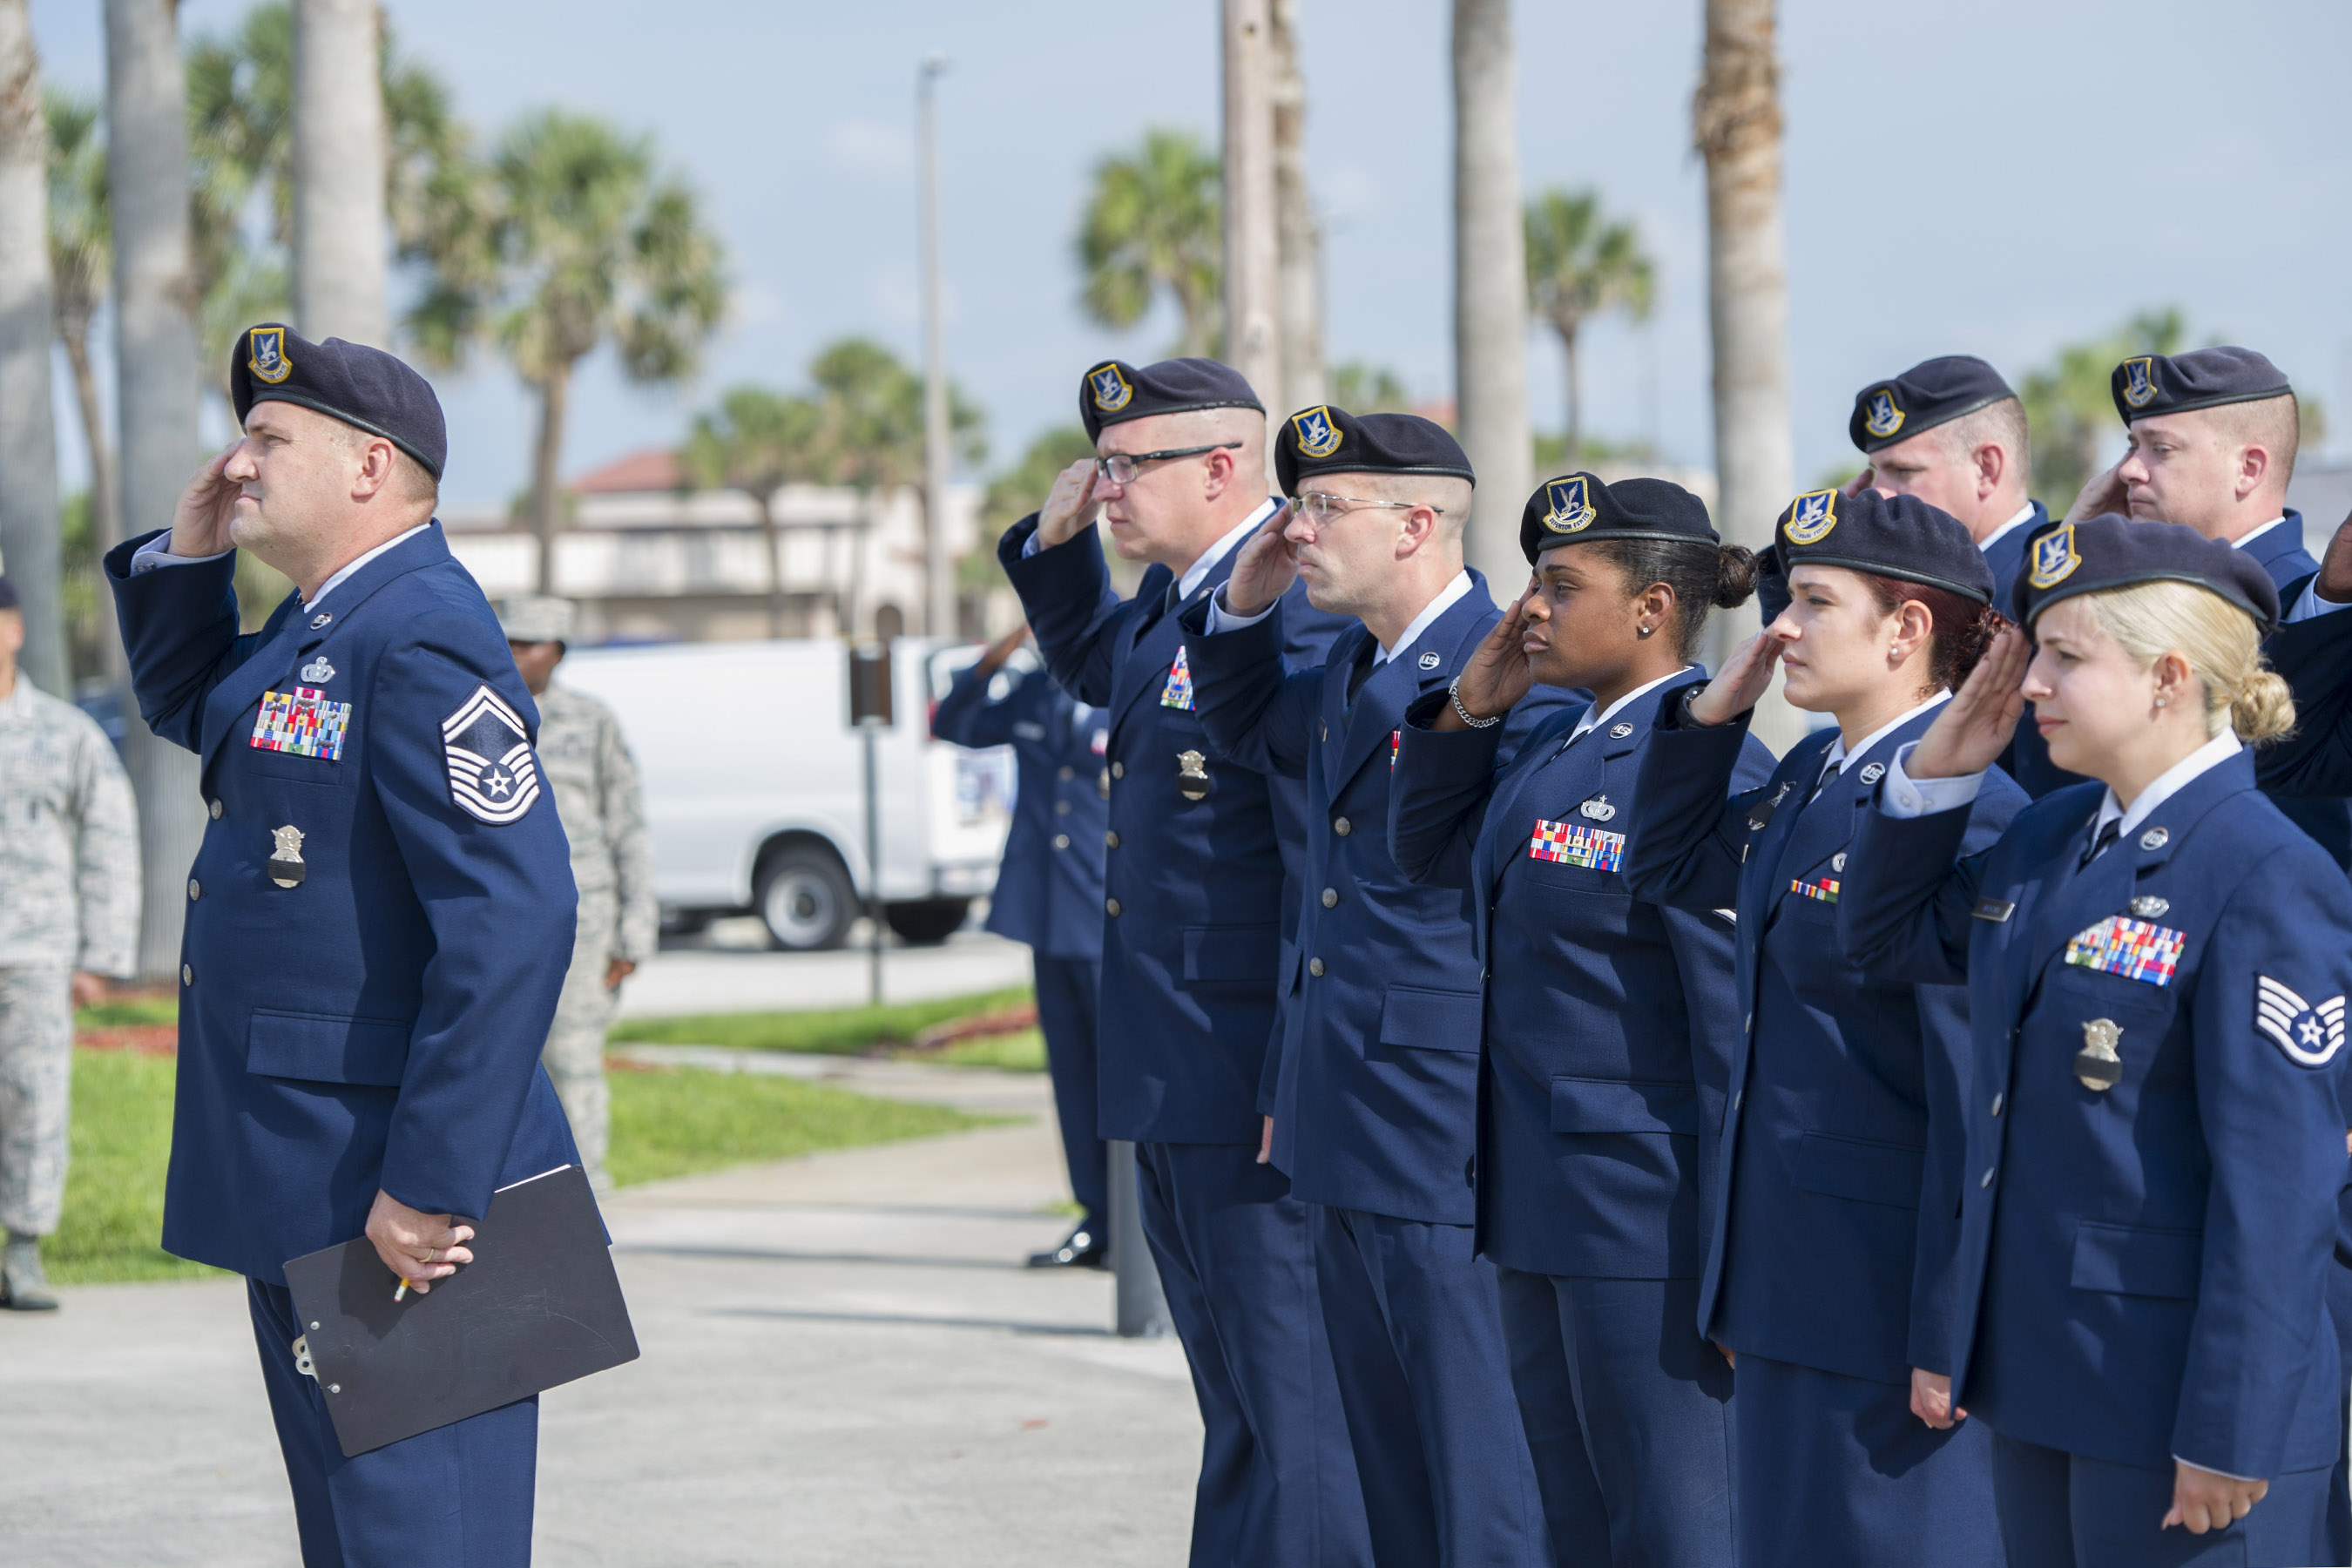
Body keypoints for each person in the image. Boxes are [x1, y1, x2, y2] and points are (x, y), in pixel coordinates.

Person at [106, 324, 580, 1565]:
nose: (240, 461)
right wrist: (190, 558)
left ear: (369, 467)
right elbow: (194, 711)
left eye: (270, 439)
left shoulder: (418, 628)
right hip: (313, 1185)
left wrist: (429, 1188)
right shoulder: (326, 622)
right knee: (359, 1546)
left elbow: (516, 916)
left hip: (408, 1207)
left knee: (427, 1542)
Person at [1838, 516, 2352, 1567]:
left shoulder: (2268, 874)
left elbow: (2281, 1188)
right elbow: (1883, 939)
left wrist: (2230, 1428)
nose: (2032, 687)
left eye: (2066, 659)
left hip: (2180, 1414)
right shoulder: (2044, 837)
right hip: (2043, 1380)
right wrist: (1934, 779)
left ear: (2168, 676)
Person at [997, 357, 1371, 1566]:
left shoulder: (1294, 606)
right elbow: (1100, 671)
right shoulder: (1174, 605)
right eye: (1101, 463)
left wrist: (1287, 1082)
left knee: (1297, 1404)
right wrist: (1056, 553)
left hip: (1249, 1078)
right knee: (1236, 1402)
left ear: (1223, 470)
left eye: (1128, 466)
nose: (1105, 487)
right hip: (1172, 1066)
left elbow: (1319, 879)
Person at [1181, 409, 1563, 1566]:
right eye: (1295, 507)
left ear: (1414, 525)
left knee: (1477, 1460)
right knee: (1380, 1455)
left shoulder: (1507, 669)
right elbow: (1235, 719)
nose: (1297, 529)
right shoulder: (1344, 668)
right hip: (1337, 1112)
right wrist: (1245, 600)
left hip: (1442, 1123)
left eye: (1324, 507)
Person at [1621, 487, 2028, 1566]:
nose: (1780, 628)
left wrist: (1954, 1330)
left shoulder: (1973, 813)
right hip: (1782, 1281)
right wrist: (1714, 716)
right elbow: (1661, 866)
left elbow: (1970, 1096)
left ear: (1907, 631)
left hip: (1889, 1297)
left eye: (1811, 601)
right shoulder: (1810, 776)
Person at [1386, 472, 1771, 1564]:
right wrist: (1471, 704)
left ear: (1652, 608)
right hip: (1537, 1201)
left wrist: (1736, 1260)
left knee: (1673, 1524)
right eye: (1532, 583)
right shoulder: (1550, 747)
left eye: (1562, 585)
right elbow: (1417, 852)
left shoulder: (1714, 767)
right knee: (1574, 1517)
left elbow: (1728, 1037)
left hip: (1650, 1220)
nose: (1529, 610)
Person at [2064, 347, 2350, 867]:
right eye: (2132, 445)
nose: (2128, 470)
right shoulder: (2139, 604)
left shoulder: (2316, 616)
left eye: (2161, 449)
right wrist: (2074, 555)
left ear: (2248, 467)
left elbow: (2290, 774)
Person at [929, 622, 1112, 1268]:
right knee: (1072, 1077)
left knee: (1116, 1076)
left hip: (1106, 915)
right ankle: (1096, 1215)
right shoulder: (1036, 689)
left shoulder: (1128, 689)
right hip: (1047, 911)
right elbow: (955, 723)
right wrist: (995, 655)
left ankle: (1137, 1224)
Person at [0, 575, 140, 1311]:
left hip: (34, 952)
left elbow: (110, 842)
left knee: (33, 1101)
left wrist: (100, 957)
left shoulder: (65, 734)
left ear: (15, 628)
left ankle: (22, 1250)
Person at [497, 594, 656, 1196]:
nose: (513, 656)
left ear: (557, 652)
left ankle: (583, 1194)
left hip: (583, 926)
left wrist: (635, 931)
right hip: (500, 921)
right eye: (505, 642)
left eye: (527, 645)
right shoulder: (471, 716)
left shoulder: (592, 722)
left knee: (572, 1060)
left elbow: (629, 828)